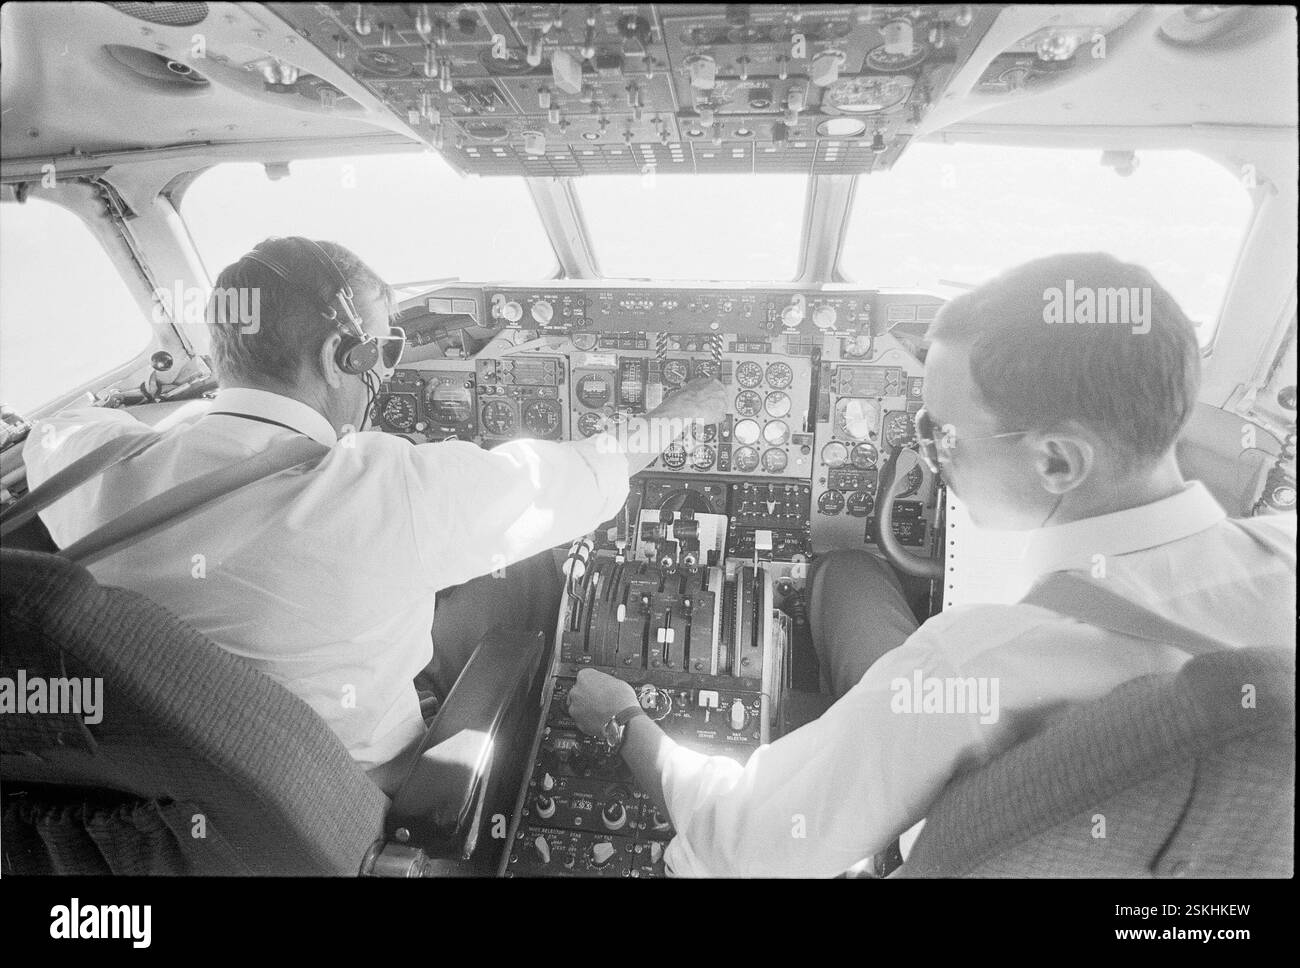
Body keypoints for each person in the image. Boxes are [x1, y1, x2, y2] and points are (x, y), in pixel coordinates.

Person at [567, 252, 1296, 877]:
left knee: (841, 578)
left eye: (939, 431)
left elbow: (743, 841)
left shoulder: (973, 663)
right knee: (849, 570)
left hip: (917, 843)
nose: (924, 450)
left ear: (1056, 458)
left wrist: (625, 719)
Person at [23, 236, 726, 792]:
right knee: (524, 574)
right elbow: (578, 477)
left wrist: (202, 416)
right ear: (339, 355)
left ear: (219, 351)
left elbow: (50, 435)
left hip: (179, 788)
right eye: (384, 352)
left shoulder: (89, 471)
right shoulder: (394, 489)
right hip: (347, 791)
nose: (384, 374)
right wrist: (684, 413)